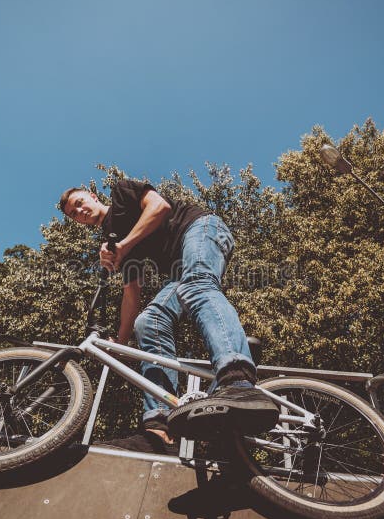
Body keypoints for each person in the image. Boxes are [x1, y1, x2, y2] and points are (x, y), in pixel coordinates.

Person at [60, 179, 278, 454]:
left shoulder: (121, 195)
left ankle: (237, 378)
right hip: (179, 271)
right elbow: (131, 293)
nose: (80, 212)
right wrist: (121, 343)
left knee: (197, 285)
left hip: (201, 229)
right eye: (73, 214)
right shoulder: (114, 241)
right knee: (149, 322)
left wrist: (124, 245)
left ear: (92, 196)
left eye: (80, 203)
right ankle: (159, 428)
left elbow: (159, 207)